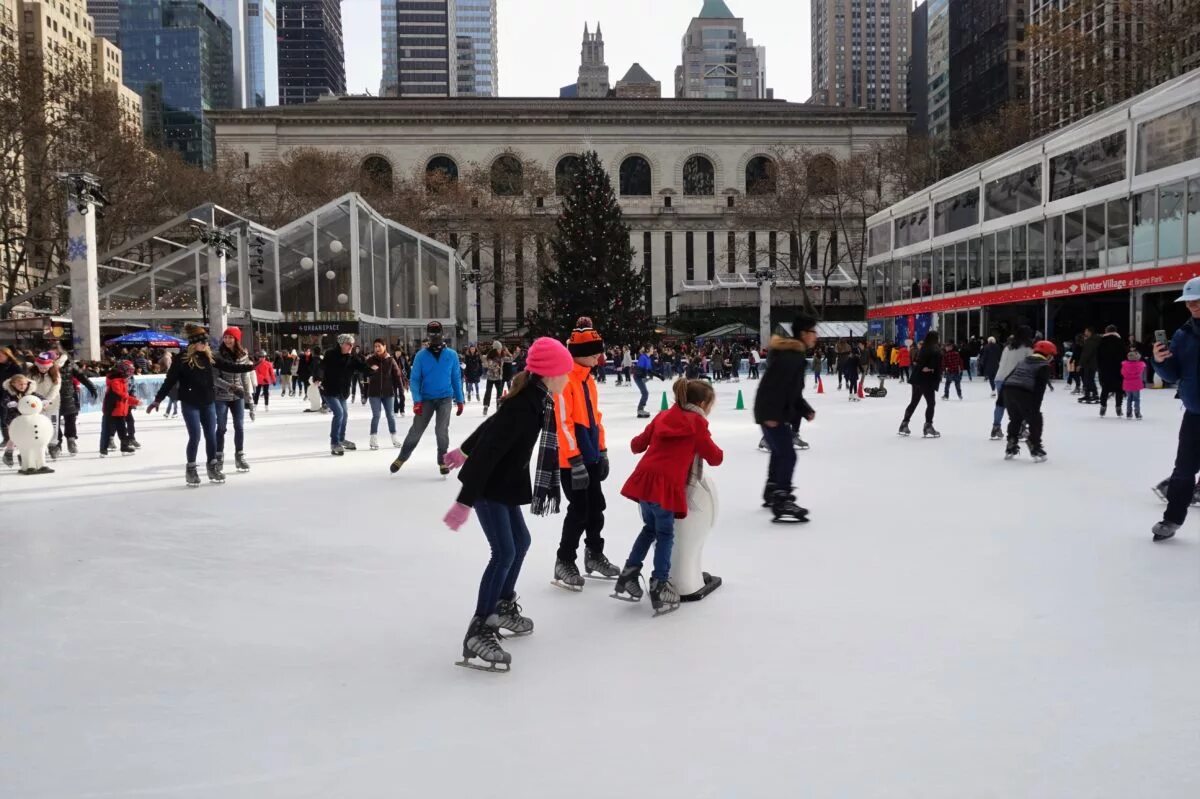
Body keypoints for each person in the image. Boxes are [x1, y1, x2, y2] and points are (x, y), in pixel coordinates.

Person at [440, 337, 576, 672]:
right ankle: (480, 628)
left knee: (521, 543)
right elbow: (490, 449)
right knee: (504, 552)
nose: (567, 379)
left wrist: (462, 450)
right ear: (548, 374)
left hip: (504, 482)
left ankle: (501, 605)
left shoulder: (533, 400)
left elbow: (489, 426)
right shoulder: (524, 407)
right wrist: (464, 502)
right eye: (564, 373)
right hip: (487, 485)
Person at [613, 378, 724, 615]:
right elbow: (714, 457)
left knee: (649, 530)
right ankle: (660, 583)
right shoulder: (697, 424)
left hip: (644, 482)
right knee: (665, 534)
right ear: (703, 403)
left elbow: (636, 445)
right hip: (665, 487)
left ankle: (629, 575)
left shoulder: (663, 416)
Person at [552, 317, 621, 589]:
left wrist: (602, 450)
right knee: (579, 510)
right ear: (581, 354)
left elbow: (596, 418)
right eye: (595, 351)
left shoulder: (588, 381)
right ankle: (564, 560)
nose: (600, 356)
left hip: (590, 454)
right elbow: (563, 423)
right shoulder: (564, 380)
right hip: (571, 460)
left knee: (596, 509)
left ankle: (593, 554)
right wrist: (575, 459)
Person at [147, 323, 255, 486]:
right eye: (202, 342)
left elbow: (229, 366)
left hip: (208, 402)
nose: (205, 345)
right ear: (194, 343)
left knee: (211, 435)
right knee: (195, 436)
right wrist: (157, 399)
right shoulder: (181, 359)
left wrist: (251, 366)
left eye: (206, 342)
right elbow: (169, 381)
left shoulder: (209, 357)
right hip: (190, 403)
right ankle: (191, 469)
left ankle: (212, 466)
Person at [1149, 277, 1200, 541]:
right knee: (1183, 470)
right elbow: (1172, 374)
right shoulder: (1183, 334)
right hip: (1195, 414)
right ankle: (1172, 519)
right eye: (1189, 301)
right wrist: (1159, 361)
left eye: (1197, 300)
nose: (1192, 305)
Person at [754, 315, 816, 522]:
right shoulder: (792, 357)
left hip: (769, 411)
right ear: (803, 334)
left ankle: (772, 489)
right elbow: (775, 387)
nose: (816, 337)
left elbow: (791, 391)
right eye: (813, 332)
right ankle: (782, 498)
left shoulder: (790, 354)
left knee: (780, 452)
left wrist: (805, 409)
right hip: (772, 413)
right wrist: (772, 415)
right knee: (788, 455)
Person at [391, 321, 464, 473]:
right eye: (432, 333)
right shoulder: (420, 356)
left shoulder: (451, 355)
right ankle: (402, 457)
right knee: (416, 430)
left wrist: (460, 399)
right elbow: (415, 379)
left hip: (445, 398)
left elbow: (456, 378)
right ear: (428, 335)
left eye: (437, 332)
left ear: (442, 333)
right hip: (426, 399)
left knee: (441, 430)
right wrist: (417, 400)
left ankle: (442, 461)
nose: (435, 335)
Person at [314, 334, 369, 456]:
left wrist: (373, 369)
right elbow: (322, 367)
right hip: (330, 390)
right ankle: (334, 442)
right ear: (341, 344)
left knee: (344, 415)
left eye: (352, 344)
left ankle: (341, 439)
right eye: (348, 344)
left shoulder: (352, 358)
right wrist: (318, 377)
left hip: (342, 392)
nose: (351, 346)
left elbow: (362, 367)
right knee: (339, 413)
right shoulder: (330, 354)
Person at [1001, 340, 1055, 462]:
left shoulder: (1023, 361)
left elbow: (1009, 378)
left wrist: (1001, 400)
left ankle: (1011, 443)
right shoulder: (1044, 366)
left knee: (1015, 419)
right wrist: (1035, 410)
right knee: (1036, 419)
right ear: (1048, 355)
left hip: (1008, 390)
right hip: (1024, 391)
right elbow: (1039, 390)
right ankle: (1034, 445)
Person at [214, 328, 255, 473]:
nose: (228, 340)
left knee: (239, 426)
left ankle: (240, 456)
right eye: (225, 337)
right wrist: (230, 387)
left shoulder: (243, 355)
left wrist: (249, 400)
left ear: (236, 339)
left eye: (231, 337)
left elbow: (245, 378)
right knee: (221, 427)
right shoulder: (217, 356)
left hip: (238, 396)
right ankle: (218, 457)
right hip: (220, 396)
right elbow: (215, 379)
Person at [990, 326, 1033, 439]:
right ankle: (1020, 428)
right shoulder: (1027, 348)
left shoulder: (1008, 347)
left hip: (1000, 378)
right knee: (1020, 405)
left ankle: (996, 427)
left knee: (1001, 403)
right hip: (1013, 380)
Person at [898, 331, 942, 438]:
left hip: (917, 378)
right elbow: (932, 365)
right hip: (926, 380)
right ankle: (928, 425)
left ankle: (904, 423)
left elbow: (920, 362)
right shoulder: (934, 350)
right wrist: (931, 368)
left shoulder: (924, 348)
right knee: (931, 403)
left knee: (914, 402)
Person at [364, 338, 404, 450]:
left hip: (388, 393)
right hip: (374, 393)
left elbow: (397, 376)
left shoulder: (390, 360)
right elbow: (364, 373)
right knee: (376, 415)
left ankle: (394, 438)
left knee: (390, 415)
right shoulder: (370, 360)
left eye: (379, 346)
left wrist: (401, 391)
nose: (377, 348)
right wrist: (370, 370)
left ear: (384, 346)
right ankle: (373, 438)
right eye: (375, 346)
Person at [27, 352, 62, 457]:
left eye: (45, 368)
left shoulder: (55, 373)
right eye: (41, 368)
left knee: (53, 425)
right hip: (36, 405)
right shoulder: (31, 374)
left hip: (52, 404)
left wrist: (47, 400)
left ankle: (53, 445)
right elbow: (29, 388)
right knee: (38, 426)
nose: (43, 369)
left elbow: (56, 388)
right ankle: (41, 446)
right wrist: (37, 400)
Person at [100, 361, 138, 456]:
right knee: (107, 430)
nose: (130, 374)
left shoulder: (123, 380)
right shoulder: (116, 381)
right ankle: (103, 449)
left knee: (122, 430)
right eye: (129, 371)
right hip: (111, 409)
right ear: (123, 371)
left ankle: (124, 447)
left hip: (120, 410)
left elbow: (125, 395)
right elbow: (121, 395)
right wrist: (135, 401)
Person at [1097, 324, 1127, 417]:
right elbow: (1124, 355)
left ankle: (1103, 407)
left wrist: (1099, 367)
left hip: (1105, 368)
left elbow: (1098, 356)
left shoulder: (1102, 341)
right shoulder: (1120, 341)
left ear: (1106, 331)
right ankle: (1118, 408)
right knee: (1119, 389)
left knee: (1105, 388)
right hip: (1118, 368)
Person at [481, 341, 507, 415]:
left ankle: (498, 406)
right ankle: (486, 406)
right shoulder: (490, 356)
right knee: (488, 392)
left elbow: (510, 359)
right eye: (498, 349)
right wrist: (496, 366)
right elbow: (488, 365)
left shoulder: (502, 356)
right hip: (491, 377)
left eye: (500, 349)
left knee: (499, 393)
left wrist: (516, 353)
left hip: (499, 377)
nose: (500, 350)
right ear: (495, 350)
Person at [1122, 348, 1146, 420]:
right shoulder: (1140, 365)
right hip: (1136, 384)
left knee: (1129, 399)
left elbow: (1122, 373)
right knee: (1137, 399)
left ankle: (1129, 413)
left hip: (1127, 384)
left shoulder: (1124, 365)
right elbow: (1141, 373)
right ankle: (1137, 413)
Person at [1078, 327, 1101, 403]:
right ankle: (1088, 394)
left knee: (1089, 379)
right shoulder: (1094, 340)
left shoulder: (1091, 341)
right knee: (1087, 379)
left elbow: (1086, 354)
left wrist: (1080, 364)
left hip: (1090, 363)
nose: (1085, 332)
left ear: (1089, 332)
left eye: (1086, 331)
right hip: (1092, 363)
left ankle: (1095, 394)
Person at [634, 346, 653, 418]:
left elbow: (649, 369)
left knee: (645, 393)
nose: (653, 349)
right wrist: (643, 377)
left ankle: (641, 409)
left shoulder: (648, 358)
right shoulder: (643, 357)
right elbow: (639, 369)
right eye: (652, 348)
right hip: (638, 378)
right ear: (648, 350)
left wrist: (657, 375)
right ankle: (640, 410)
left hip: (641, 377)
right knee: (645, 393)